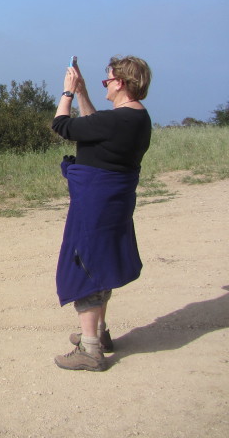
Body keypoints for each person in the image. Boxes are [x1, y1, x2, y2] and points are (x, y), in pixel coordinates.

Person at [50, 55, 152, 371]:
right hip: (113, 200)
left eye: (107, 80)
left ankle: (90, 348)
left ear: (120, 83)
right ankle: (100, 333)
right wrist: (82, 92)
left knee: (85, 265)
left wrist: (67, 92)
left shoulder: (118, 120)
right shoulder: (136, 118)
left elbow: (62, 126)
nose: (104, 85)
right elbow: (94, 126)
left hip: (96, 203)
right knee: (102, 260)